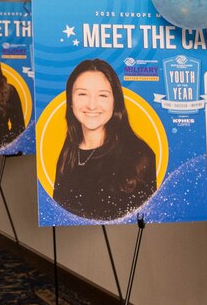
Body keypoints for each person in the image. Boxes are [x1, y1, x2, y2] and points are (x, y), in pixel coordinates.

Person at [52, 58, 157, 221]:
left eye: (102, 95)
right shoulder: (69, 151)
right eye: (82, 94)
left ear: (115, 102)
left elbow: (146, 215)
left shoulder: (139, 156)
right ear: (70, 101)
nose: (92, 105)